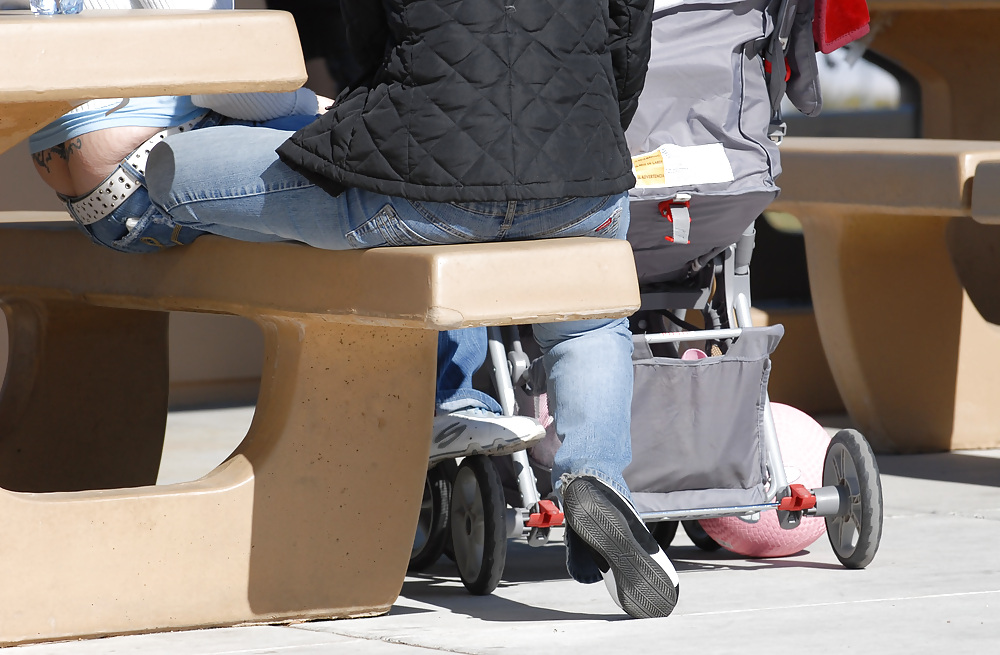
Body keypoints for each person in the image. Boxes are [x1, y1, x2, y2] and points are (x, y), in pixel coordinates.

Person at [136, 0, 680, 618]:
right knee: (591, 319)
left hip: (421, 191)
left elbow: (366, 49)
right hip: (581, 182)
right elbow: (629, 48)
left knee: (176, 171)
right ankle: (598, 478)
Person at [27, 0, 545, 467]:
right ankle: (447, 402)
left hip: (96, 207)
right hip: (152, 171)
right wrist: (318, 107)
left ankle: (406, 421)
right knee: (408, 174)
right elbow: (218, 78)